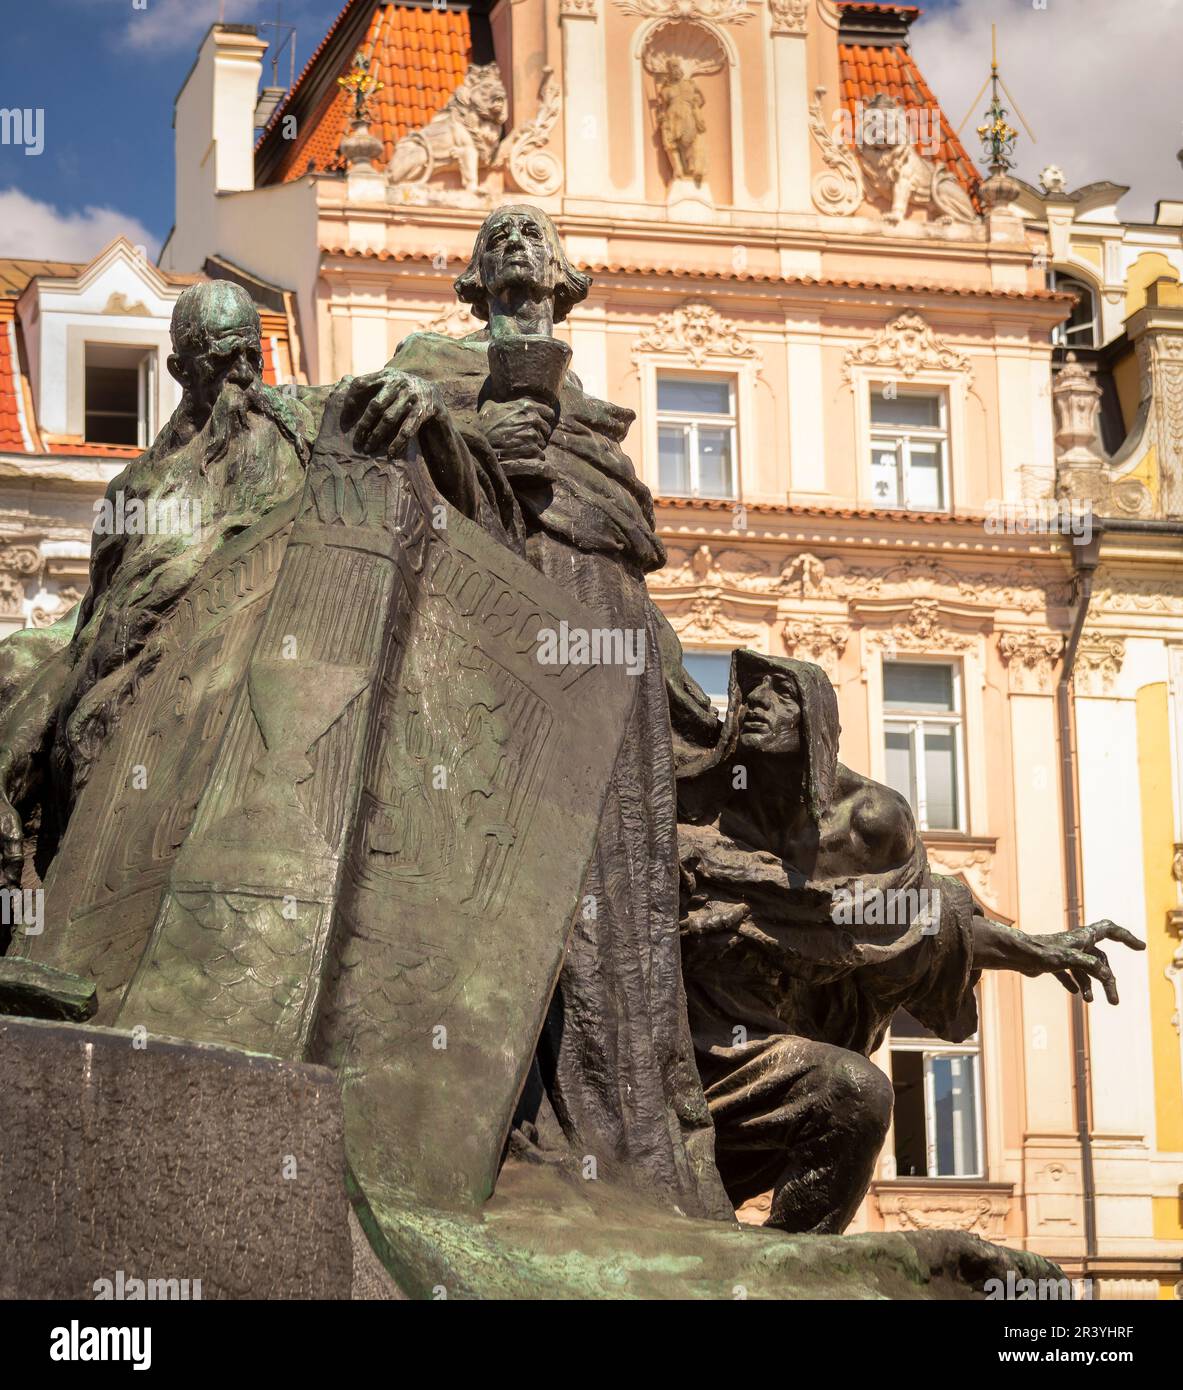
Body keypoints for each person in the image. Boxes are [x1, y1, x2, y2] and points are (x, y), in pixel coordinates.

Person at [355, 204, 731, 1219]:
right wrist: (461, 430)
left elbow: (627, 546)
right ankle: (509, 1136)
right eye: (500, 250)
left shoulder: (594, 420)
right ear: (475, 284)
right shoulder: (431, 362)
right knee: (509, 877)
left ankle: (633, 1149)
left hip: (608, 643)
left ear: (564, 286)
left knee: (625, 894)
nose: (519, 256)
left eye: (536, 251)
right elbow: (362, 436)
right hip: (502, 648)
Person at [676, 648, 1144, 1234]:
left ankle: (790, 1266)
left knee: (857, 1095)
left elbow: (924, 926)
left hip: (761, 1045)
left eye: (782, 693)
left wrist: (1037, 950)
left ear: (818, 721)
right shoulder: (700, 804)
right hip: (677, 1043)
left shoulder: (866, 825)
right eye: (752, 691)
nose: (759, 704)